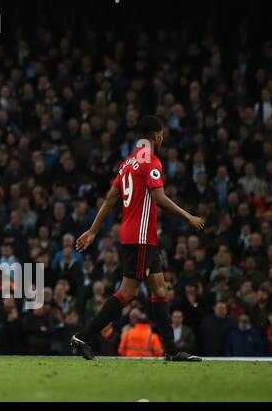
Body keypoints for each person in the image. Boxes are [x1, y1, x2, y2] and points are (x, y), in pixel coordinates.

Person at [71, 116, 205, 362]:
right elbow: (159, 198)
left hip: (138, 235)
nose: (162, 138)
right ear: (155, 136)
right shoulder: (151, 161)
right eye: (161, 135)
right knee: (129, 291)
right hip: (140, 236)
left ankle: (171, 351)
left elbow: (110, 199)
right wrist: (188, 216)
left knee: (160, 289)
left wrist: (92, 231)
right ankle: (83, 336)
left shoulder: (127, 163)